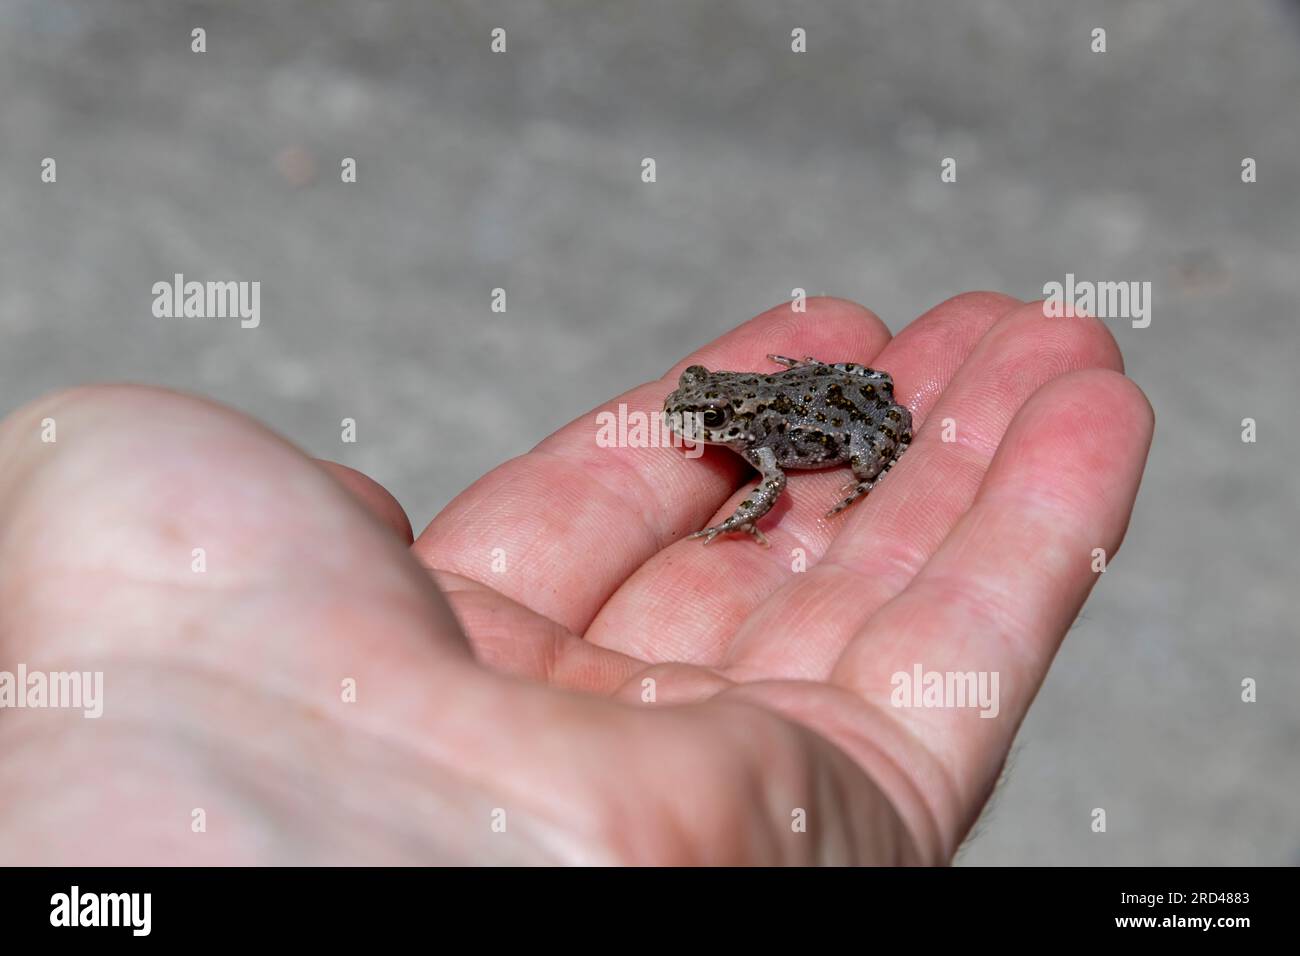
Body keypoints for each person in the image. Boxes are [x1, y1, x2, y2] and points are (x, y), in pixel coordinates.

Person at [0, 293, 1152, 864]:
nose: (688, 417)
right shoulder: (735, 420)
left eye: (699, 408)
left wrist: (755, 522)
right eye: (700, 400)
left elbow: (764, 491)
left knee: (869, 431)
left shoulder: (752, 445)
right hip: (823, 389)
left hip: (845, 412)